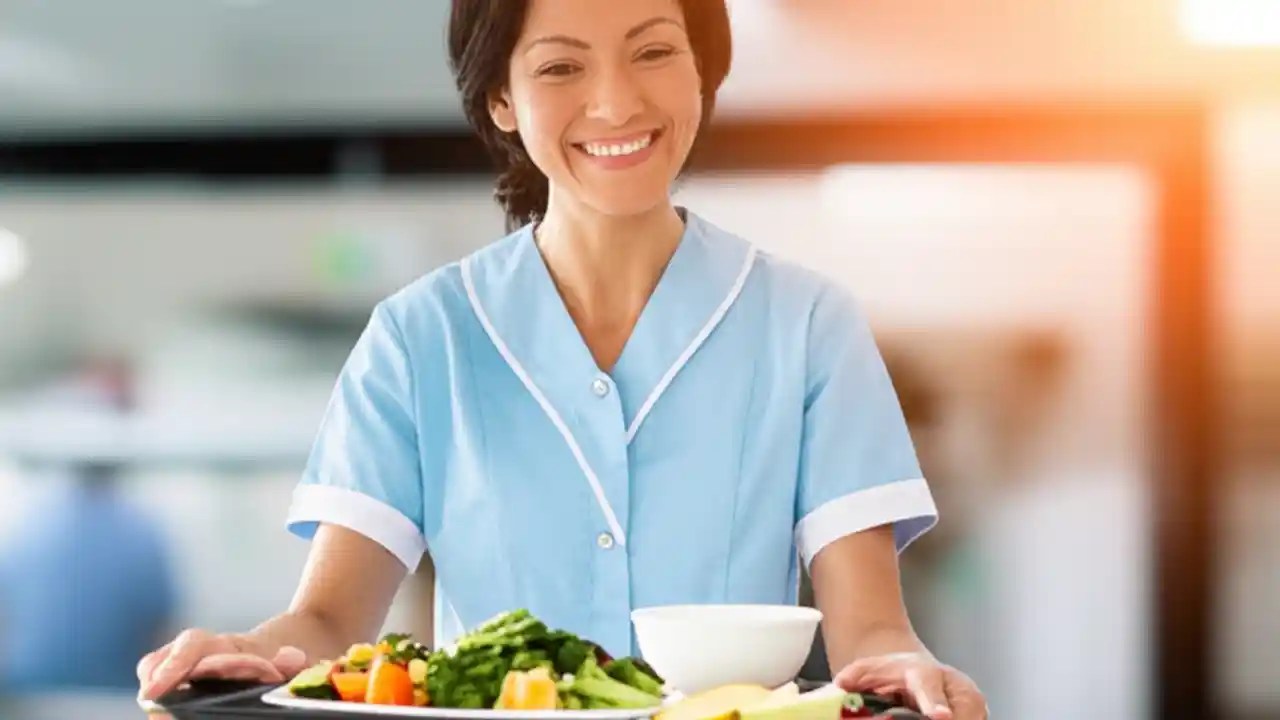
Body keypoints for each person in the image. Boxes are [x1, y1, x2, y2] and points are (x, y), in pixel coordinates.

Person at [136, 1, 987, 718]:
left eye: (653, 52)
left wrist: (908, 674)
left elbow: (871, 629)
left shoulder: (807, 325)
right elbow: (325, 621)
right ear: (501, 99)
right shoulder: (421, 335)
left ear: (702, 72)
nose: (616, 103)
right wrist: (248, 650)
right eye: (559, 68)